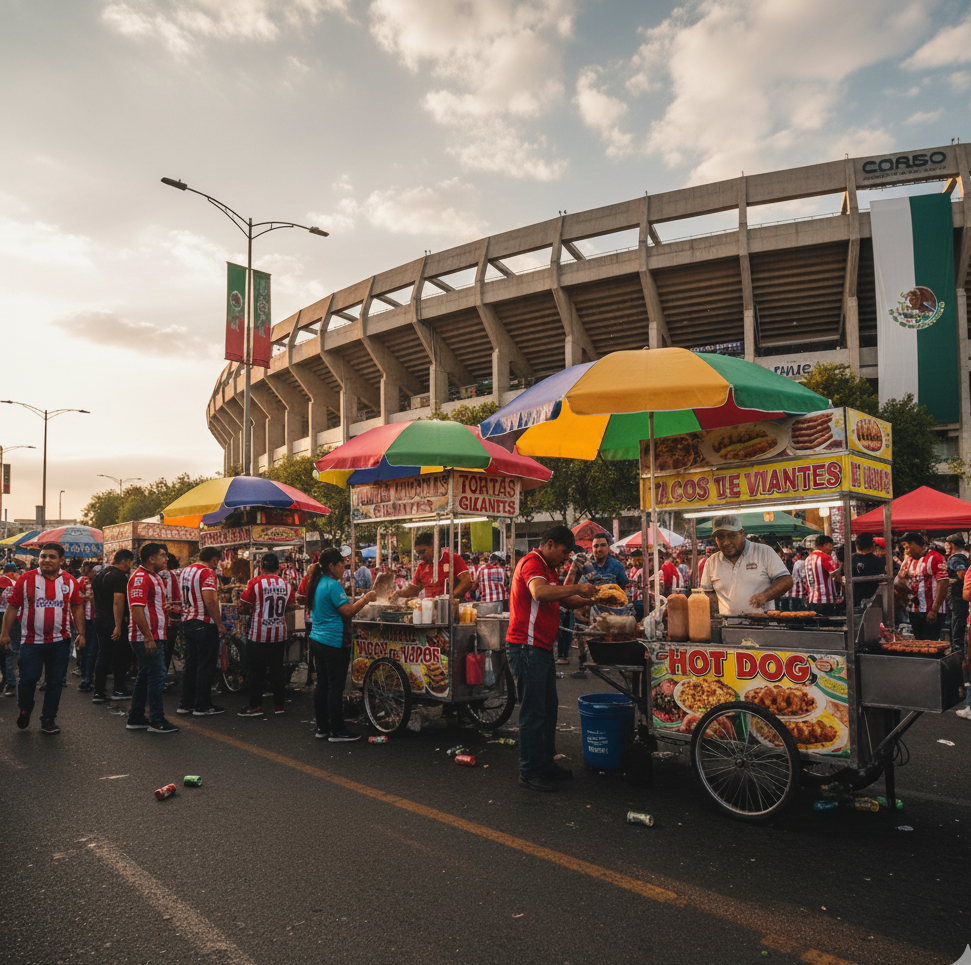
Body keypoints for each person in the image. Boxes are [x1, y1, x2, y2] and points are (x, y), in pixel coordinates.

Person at [507, 525, 598, 791]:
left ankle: (545, 763)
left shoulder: (549, 567)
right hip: (526, 646)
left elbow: (560, 600)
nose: (565, 558)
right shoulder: (532, 563)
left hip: (541, 647)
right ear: (549, 544)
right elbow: (540, 593)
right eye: (563, 552)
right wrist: (578, 587)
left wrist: (586, 598)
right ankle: (530, 771)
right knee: (533, 712)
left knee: (548, 709)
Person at [0, 544, 83, 734]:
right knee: (28, 680)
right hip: (31, 642)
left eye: (52, 557)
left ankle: (48, 719)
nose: (46, 560)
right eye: (43, 556)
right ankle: (25, 708)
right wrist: (4, 633)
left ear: (62, 560)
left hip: (61, 642)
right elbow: (13, 607)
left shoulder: (70, 581)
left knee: (55, 683)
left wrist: (82, 633)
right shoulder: (26, 579)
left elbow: (77, 607)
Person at [307, 547, 376, 741]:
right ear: (331, 565)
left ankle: (323, 727)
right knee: (335, 687)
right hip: (332, 641)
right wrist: (367, 598)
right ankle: (337, 729)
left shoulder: (317, 582)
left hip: (317, 639)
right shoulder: (332, 585)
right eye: (341, 565)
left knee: (323, 684)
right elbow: (347, 611)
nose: (343, 568)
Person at [126, 543, 179, 734]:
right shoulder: (140, 578)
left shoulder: (154, 577)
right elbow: (137, 609)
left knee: (146, 675)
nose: (166, 559)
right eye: (162, 555)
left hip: (156, 634)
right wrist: (148, 637)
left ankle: (136, 717)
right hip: (147, 636)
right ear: (151, 558)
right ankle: (157, 720)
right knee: (157, 676)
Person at [238, 552, 296, 718]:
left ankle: (255, 706)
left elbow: (245, 604)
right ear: (278, 568)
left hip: (258, 634)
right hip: (279, 633)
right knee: (277, 670)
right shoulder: (286, 584)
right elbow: (291, 606)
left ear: (261, 568)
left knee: (257, 671)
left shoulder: (255, 583)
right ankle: (279, 705)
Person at [701, 515, 792, 615]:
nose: (726, 542)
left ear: (741, 533)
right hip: (727, 627)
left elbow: (786, 580)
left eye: (731, 535)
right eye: (721, 537)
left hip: (762, 625)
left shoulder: (764, 552)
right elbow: (709, 595)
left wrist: (766, 595)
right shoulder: (711, 562)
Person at [176, 546, 229, 717]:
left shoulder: (186, 571)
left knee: (191, 664)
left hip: (187, 621)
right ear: (214, 559)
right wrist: (220, 624)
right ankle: (202, 705)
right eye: (217, 562)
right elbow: (210, 601)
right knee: (205, 665)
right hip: (203, 622)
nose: (217, 565)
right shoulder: (207, 573)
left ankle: (185, 703)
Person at [91, 549, 135, 703]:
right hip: (112, 621)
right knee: (119, 656)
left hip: (100, 619)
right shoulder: (119, 577)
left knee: (103, 655)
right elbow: (118, 602)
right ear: (125, 561)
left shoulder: (100, 575)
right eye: (130, 562)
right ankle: (119, 688)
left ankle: (99, 691)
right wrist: (118, 625)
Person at [896, 531, 947, 640]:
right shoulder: (908, 560)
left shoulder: (935, 557)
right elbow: (899, 580)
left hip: (932, 610)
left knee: (931, 642)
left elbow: (943, 583)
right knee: (919, 642)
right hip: (914, 610)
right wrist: (907, 593)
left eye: (907, 547)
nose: (906, 551)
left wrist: (934, 610)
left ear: (914, 543)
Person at [393, 532, 472, 601]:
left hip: (451, 608)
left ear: (434, 546)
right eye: (418, 553)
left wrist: (449, 598)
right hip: (429, 608)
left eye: (422, 551)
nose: (420, 555)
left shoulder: (453, 559)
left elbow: (467, 582)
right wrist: (397, 594)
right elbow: (413, 590)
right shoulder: (422, 566)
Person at [944, 534, 969, 657]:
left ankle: (957, 652)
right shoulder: (966, 554)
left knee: (957, 622)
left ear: (951, 545)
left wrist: (962, 582)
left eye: (946, 544)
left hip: (957, 595)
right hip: (962, 596)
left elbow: (961, 573)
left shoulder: (955, 558)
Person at [0, 562, 21, 697]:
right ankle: (10, 682)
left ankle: (8, 681)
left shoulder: (2, 580)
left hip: (2, 615)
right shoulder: (18, 582)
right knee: (12, 651)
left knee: (4, 651)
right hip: (15, 618)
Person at [805, 535, 842, 609]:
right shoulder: (825, 557)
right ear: (826, 545)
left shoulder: (808, 558)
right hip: (826, 599)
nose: (831, 548)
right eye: (830, 545)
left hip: (812, 598)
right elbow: (836, 575)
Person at [76, 561, 97, 691]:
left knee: (86, 649)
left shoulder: (81, 580)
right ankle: (87, 678)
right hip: (88, 619)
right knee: (90, 650)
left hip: (84, 619)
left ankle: (86, 676)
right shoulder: (85, 581)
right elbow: (86, 598)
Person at [850, 533, 886, 607]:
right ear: (872, 545)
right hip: (874, 601)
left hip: (852, 600)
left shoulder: (849, 560)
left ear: (856, 545)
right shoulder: (879, 561)